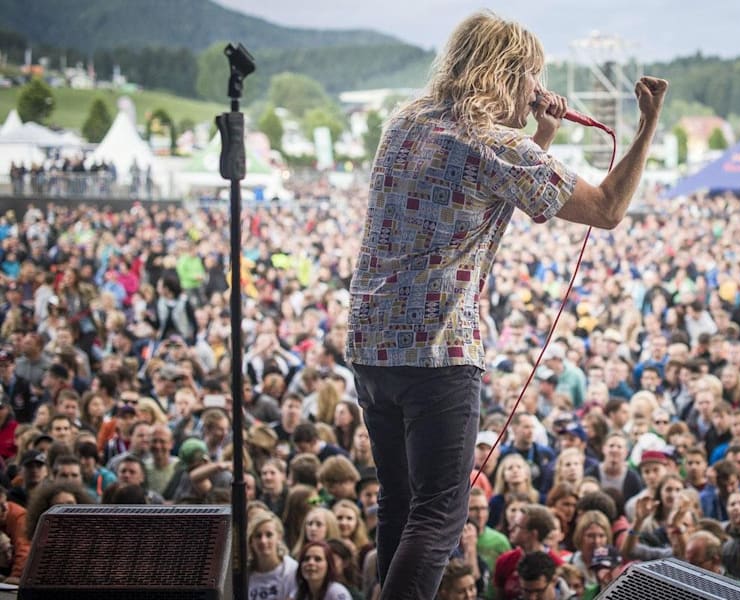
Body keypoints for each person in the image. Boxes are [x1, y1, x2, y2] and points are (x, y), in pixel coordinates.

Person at [345, 11, 667, 600]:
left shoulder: (406, 121)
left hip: (371, 344)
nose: (536, 91)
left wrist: (538, 137)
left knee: (399, 503)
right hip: (437, 351)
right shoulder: (490, 143)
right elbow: (607, 209)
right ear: (508, 75)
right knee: (439, 518)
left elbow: (478, 196)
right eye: (531, 79)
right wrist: (647, 128)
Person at [247, 511, 297, 600]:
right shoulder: (245, 573)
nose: (263, 541)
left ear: (279, 537)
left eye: (269, 535)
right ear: (251, 541)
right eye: (258, 536)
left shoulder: (292, 570)